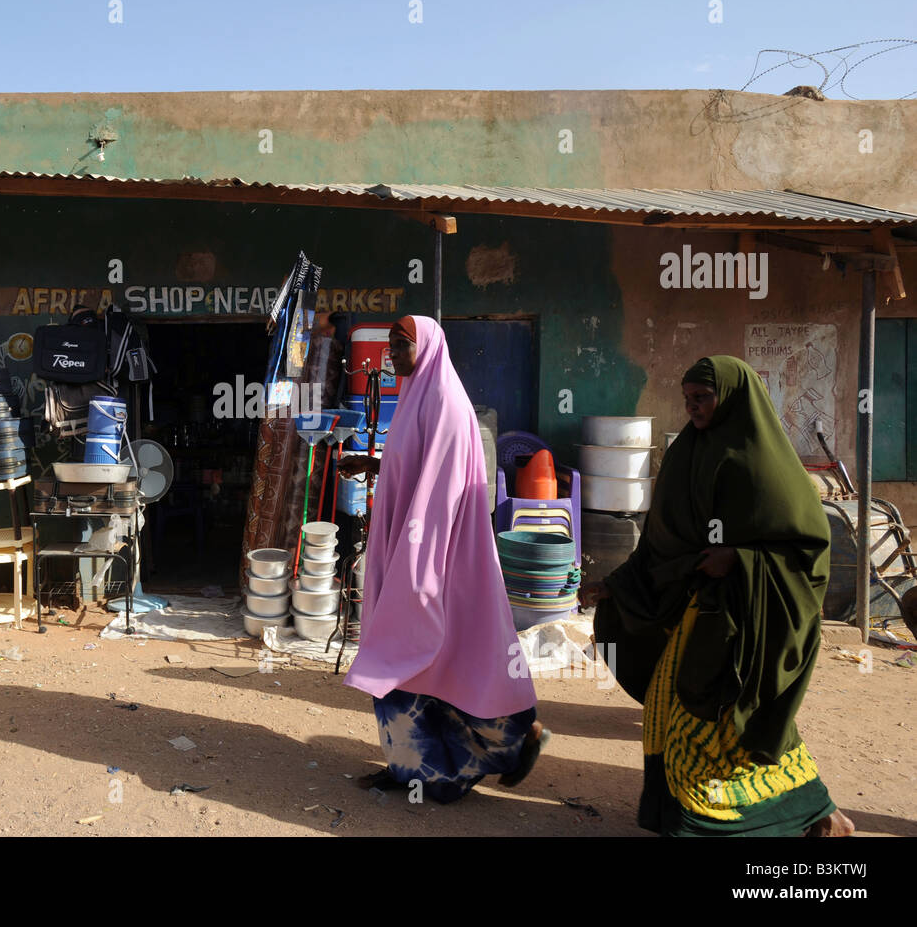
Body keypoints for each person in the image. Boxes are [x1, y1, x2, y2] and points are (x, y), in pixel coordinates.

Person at [581, 355, 853, 836]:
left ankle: (742, 820)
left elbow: (805, 548)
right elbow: (660, 542)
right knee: (669, 710)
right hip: (695, 610)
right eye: (687, 400)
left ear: (730, 396)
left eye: (702, 398)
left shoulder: (764, 464)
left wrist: (741, 559)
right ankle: (807, 815)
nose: (693, 409)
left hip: (743, 617)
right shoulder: (689, 453)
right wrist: (617, 584)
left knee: (720, 719)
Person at [339, 315, 548, 803]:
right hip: (411, 551)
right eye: (390, 345)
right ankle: (418, 770)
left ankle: (508, 746)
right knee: (424, 658)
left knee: (437, 655)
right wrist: (374, 464)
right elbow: (416, 466)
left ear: (428, 347)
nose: (392, 354)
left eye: (401, 345)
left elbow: (442, 493)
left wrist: (417, 573)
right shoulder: (415, 396)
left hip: (436, 558)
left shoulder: (447, 404)